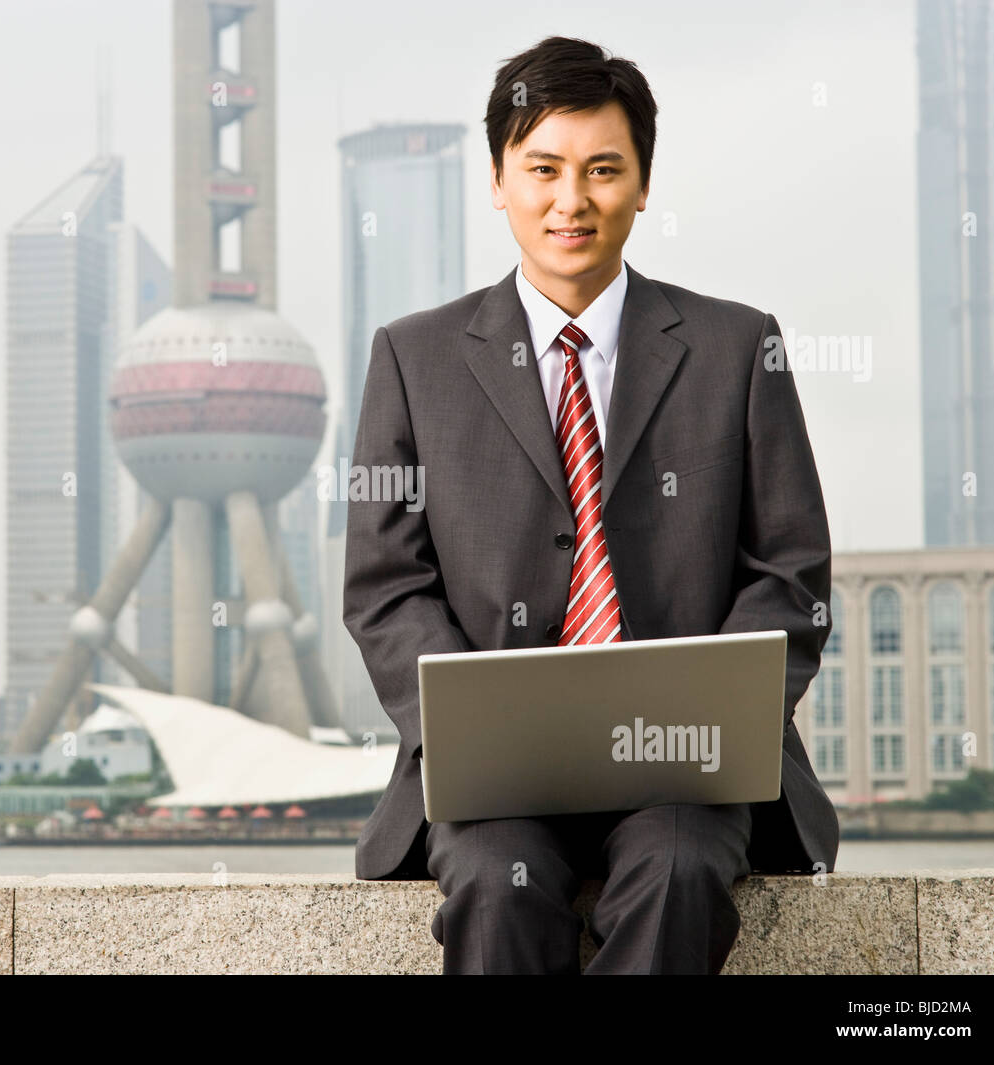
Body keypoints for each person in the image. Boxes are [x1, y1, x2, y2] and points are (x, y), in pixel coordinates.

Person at [341, 35, 839, 974]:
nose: (572, 200)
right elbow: (384, 587)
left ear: (642, 185)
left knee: (681, 867)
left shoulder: (737, 346)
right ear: (497, 180)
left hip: (686, 767)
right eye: (543, 169)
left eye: (603, 170)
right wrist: (471, 727)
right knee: (497, 882)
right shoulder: (415, 359)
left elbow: (791, 573)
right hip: (494, 782)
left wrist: (717, 718)